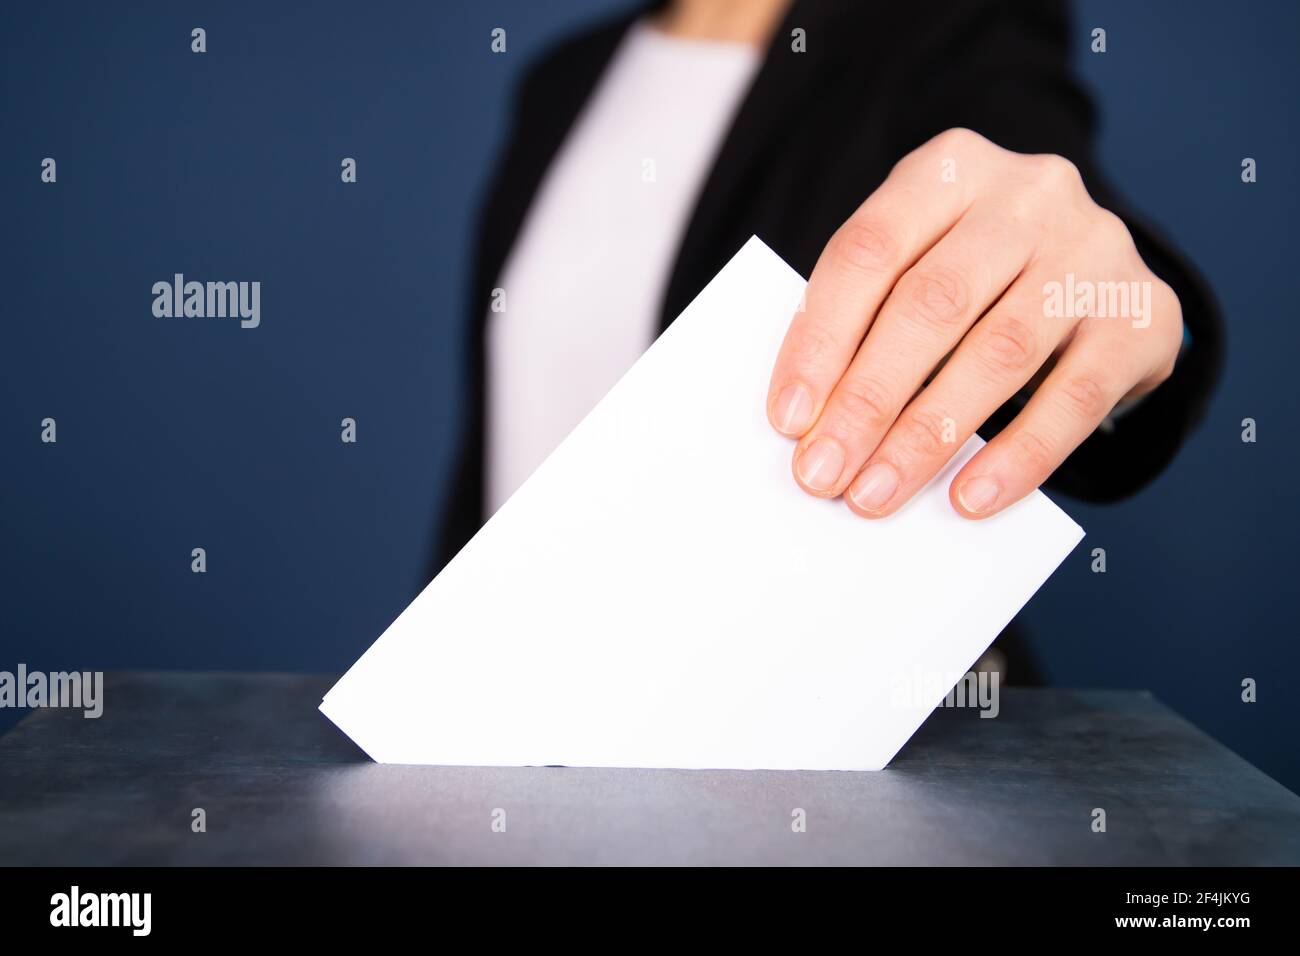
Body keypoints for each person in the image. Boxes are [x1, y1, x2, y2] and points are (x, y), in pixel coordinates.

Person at [438, 0, 1223, 682]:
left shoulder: (954, 31)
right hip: (515, 722)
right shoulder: (564, 77)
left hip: (819, 746)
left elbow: (1058, 224)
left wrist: (1118, 311)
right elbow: (507, 438)